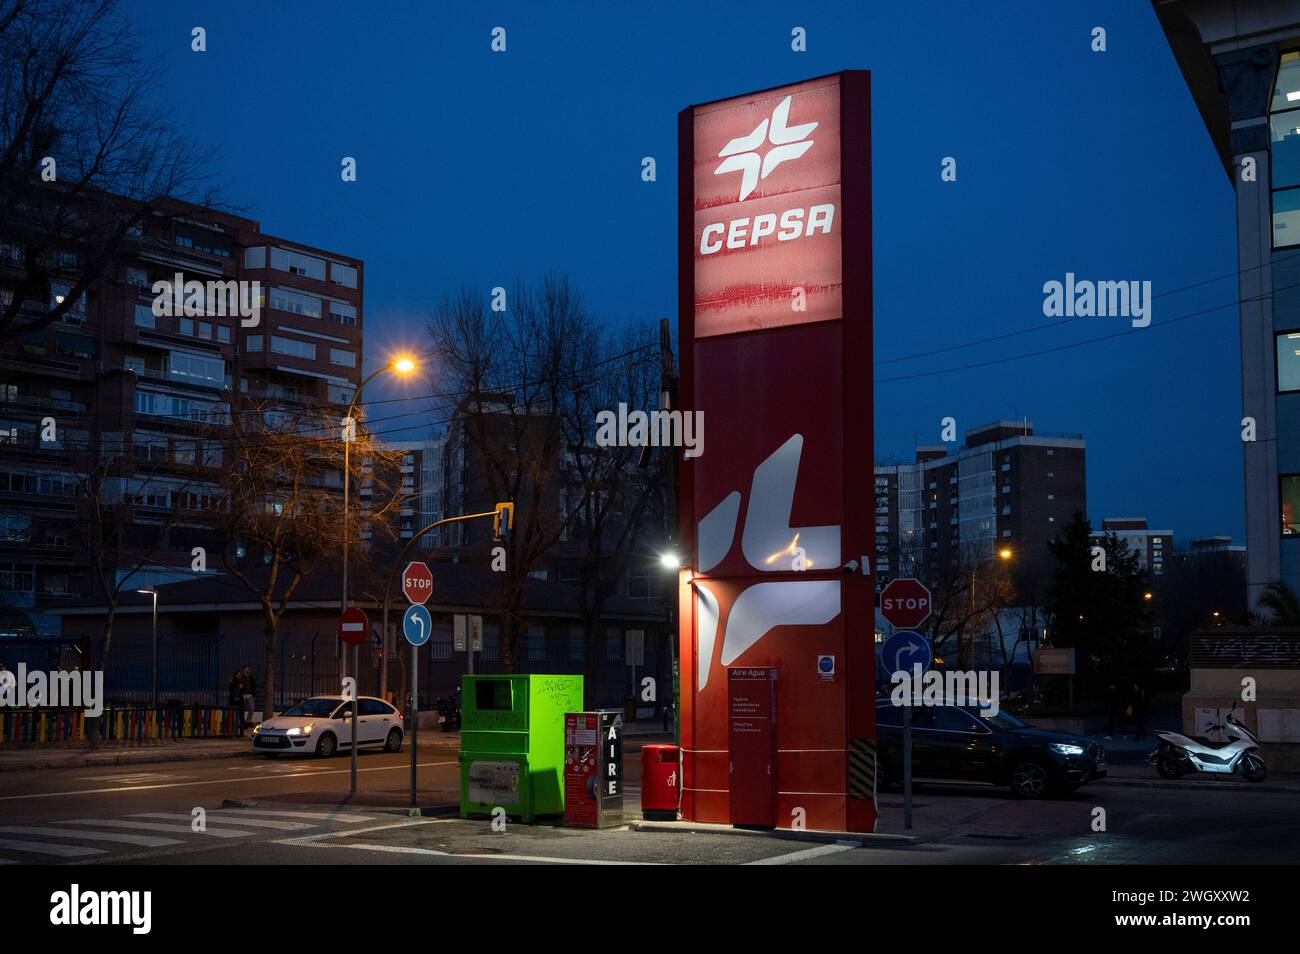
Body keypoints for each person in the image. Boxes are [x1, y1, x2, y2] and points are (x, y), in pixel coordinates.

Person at [228, 670, 247, 734]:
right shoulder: (232, 681)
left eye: (240, 674)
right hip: (233, 700)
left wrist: (242, 688)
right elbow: (231, 691)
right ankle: (229, 729)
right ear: (235, 675)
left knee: (241, 716)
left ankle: (241, 731)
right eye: (238, 674)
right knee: (231, 714)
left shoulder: (242, 681)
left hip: (240, 700)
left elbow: (244, 691)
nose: (239, 675)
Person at [242, 665, 258, 730]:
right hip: (242, 695)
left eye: (249, 669)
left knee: (252, 708)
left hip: (249, 695)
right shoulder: (241, 676)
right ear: (243, 669)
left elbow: (254, 686)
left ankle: (248, 721)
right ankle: (242, 722)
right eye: (247, 668)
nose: (248, 670)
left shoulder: (251, 676)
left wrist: (254, 695)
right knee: (242, 709)